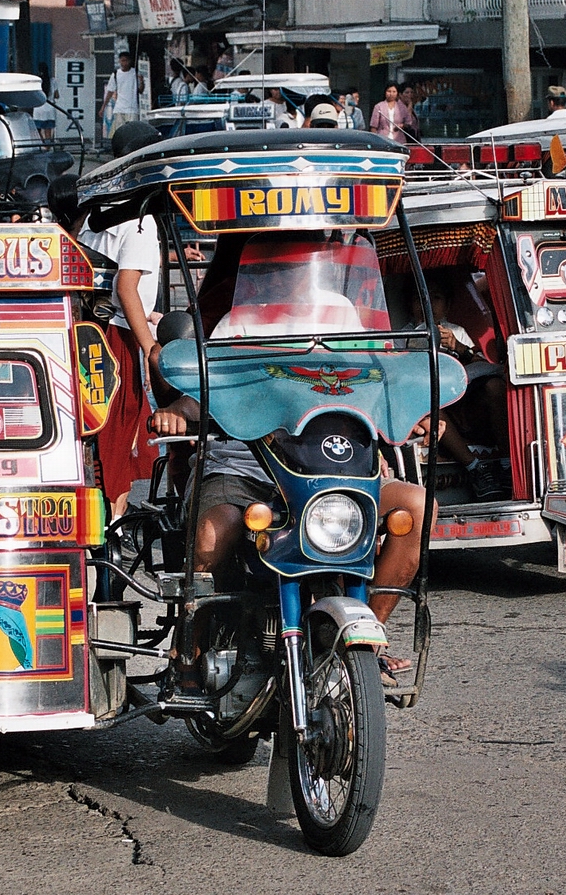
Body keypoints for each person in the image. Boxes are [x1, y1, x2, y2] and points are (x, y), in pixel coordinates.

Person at [148, 240, 436, 675]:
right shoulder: (237, 323)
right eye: (279, 264)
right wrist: (177, 413)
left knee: (419, 507)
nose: (293, 271)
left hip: (332, 466)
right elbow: (207, 392)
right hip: (246, 467)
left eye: (305, 261)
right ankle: (192, 645)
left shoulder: (340, 311)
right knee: (213, 533)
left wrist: (409, 410)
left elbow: (375, 377)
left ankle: (363, 636)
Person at [78, 205, 161, 518]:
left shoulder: (90, 218)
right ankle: (110, 522)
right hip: (119, 334)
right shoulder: (141, 222)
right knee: (119, 430)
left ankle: (109, 518)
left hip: (89, 328)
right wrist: (149, 347)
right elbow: (126, 287)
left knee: (99, 427)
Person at [405, 283, 505, 502]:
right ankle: (476, 468)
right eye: (419, 298)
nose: (427, 304)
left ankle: (507, 466)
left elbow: (484, 367)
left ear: (448, 305)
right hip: (434, 405)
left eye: (436, 298)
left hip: (465, 402)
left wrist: (459, 347)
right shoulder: (403, 335)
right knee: (430, 402)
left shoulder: (456, 331)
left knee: (496, 386)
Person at [102, 51, 141, 137]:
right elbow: (110, 91)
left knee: (132, 132)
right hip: (119, 108)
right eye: (122, 61)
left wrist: (141, 81)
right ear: (119, 61)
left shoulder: (135, 73)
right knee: (121, 132)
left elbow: (140, 90)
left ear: (130, 61)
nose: (124, 63)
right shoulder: (116, 74)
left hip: (132, 108)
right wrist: (103, 107)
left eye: (126, 60)